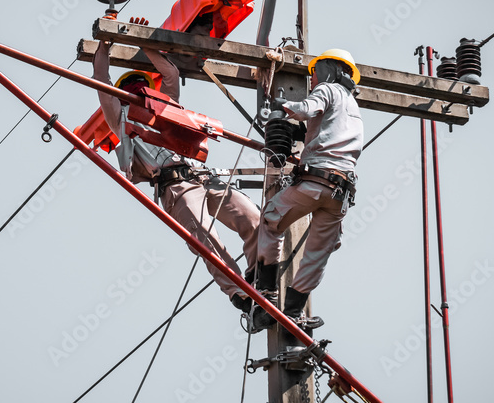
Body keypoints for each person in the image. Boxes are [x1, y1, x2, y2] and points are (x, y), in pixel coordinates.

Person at [92, 38, 263, 314]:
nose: (138, 88)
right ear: (122, 92)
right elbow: (101, 77)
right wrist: (105, 45)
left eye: (142, 83)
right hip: (174, 187)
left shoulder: (167, 108)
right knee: (207, 240)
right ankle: (241, 295)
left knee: (253, 218)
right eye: (132, 85)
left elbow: (170, 73)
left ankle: (259, 277)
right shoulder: (120, 116)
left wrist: (142, 42)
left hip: (203, 177)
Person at [253, 48, 364, 327]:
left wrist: (280, 109)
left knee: (270, 220)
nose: (312, 80)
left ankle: (266, 291)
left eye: (314, 73)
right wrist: (298, 133)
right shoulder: (353, 107)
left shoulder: (328, 90)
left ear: (328, 69)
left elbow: (306, 109)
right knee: (317, 253)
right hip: (340, 196)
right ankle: (293, 311)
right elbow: (325, 130)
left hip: (315, 182)